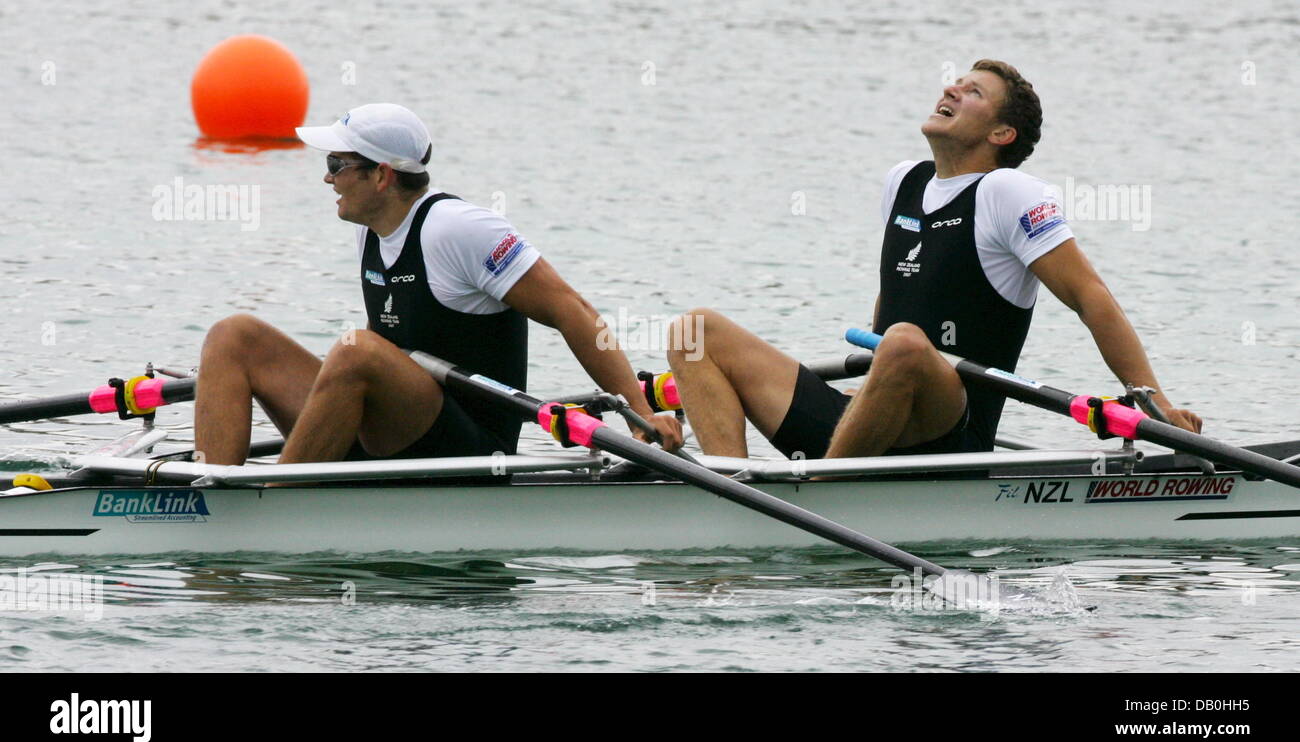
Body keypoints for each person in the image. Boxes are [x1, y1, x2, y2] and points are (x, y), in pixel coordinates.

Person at [666, 60, 1201, 461]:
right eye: (956, 82)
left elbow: (1092, 299)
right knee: (696, 330)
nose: (951, 88)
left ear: (1000, 134)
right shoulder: (904, 180)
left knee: (902, 342)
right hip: (875, 416)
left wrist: (1151, 400)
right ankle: (732, 487)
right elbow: (896, 289)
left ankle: (821, 493)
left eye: (973, 92)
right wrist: (873, 390)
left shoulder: (1007, 192)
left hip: (951, 431)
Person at [194, 103, 681, 466]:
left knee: (356, 349)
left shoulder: (459, 229)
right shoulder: (371, 231)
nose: (328, 180)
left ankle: (275, 507)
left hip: (469, 445)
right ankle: (214, 496)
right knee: (234, 335)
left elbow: (571, 310)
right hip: (397, 430)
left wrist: (639, 413)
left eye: (336, 165)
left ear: (381, 175)